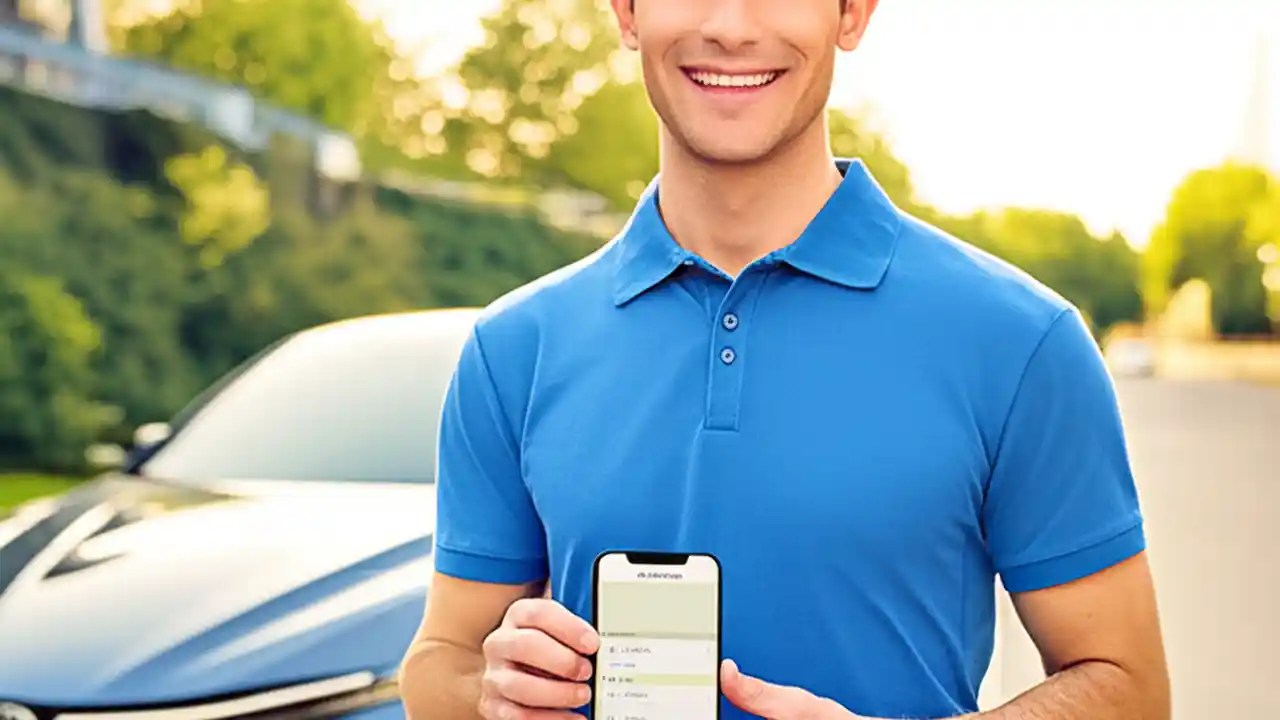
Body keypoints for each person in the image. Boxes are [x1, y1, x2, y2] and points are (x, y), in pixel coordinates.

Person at [399, 0, 1170, 718]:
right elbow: (439, 663)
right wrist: (492, 694)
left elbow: (1128, 689)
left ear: (853, 10)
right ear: (628, 10)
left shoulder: (1021, 343)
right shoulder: (514, 349)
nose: (733, 26)